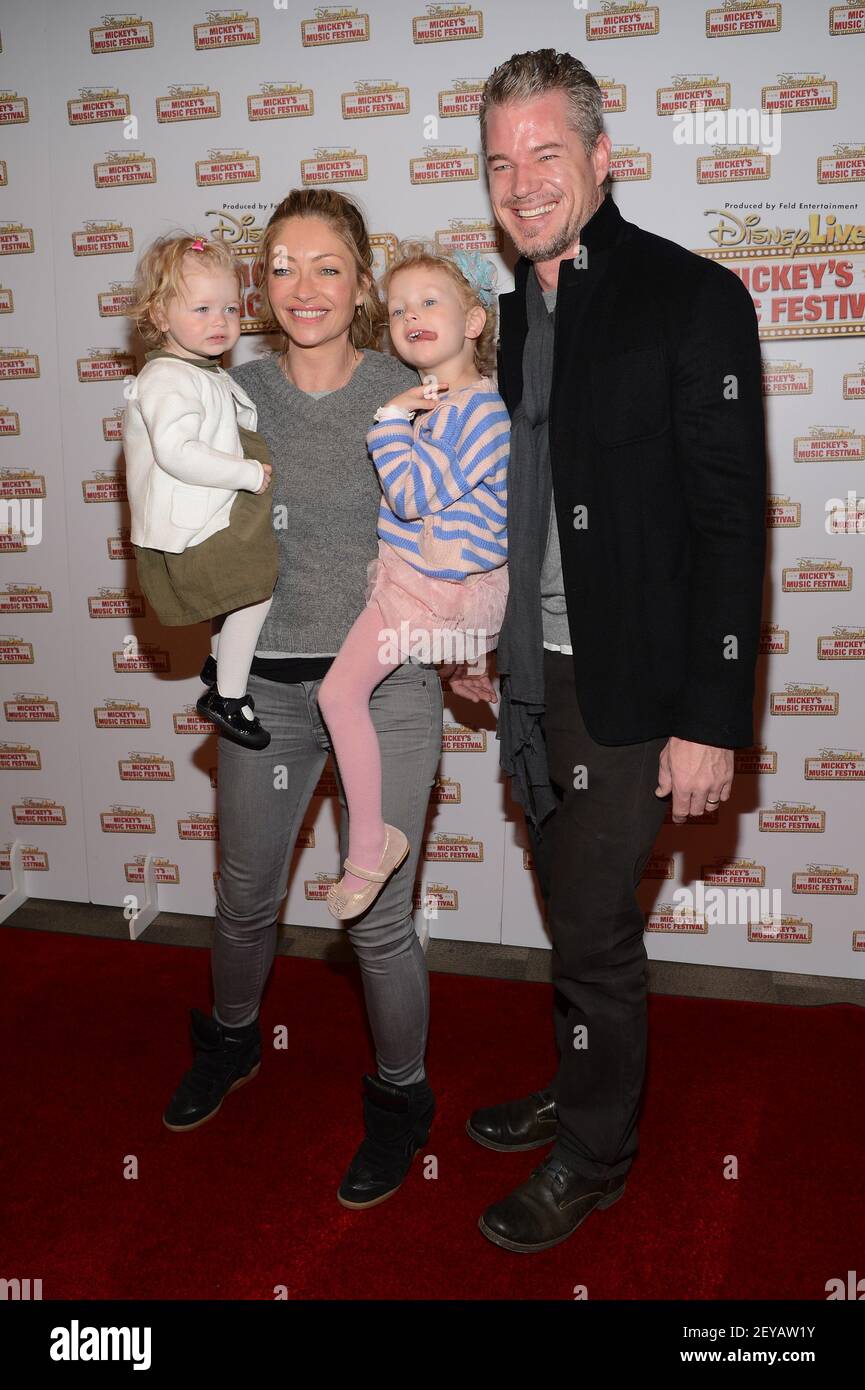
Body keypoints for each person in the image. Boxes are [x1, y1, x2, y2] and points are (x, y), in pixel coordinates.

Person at [448, 49, 767, 1253]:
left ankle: (596, 1153)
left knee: (589, 925)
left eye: (545, 153)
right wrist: (489, 637)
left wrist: (710, 716)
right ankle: (583, 1080)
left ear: (600, 155)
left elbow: (733, 526)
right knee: (574, 917)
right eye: (499, 161)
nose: (521, 182)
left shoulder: (694, 297)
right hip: (536, 670)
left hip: (633, 688)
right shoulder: (517, 305)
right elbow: (515, 498)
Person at [161, 190, 445, 1213]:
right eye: (281, 265)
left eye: (327, 265)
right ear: (258, 286)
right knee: (245, 897)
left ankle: (402, 1099)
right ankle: (232, 1044)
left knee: (376, 918)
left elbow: (462, 522)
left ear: (363, 284)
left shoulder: (408, 383)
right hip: (268, 688)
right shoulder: (224, 391)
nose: (303, 285)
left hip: (388, 687)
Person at [317, 244, 509, 920]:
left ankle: (372, 844)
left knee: (339, 695)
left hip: (428, 593)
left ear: (474, 322)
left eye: (430, 302)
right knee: (342, 697)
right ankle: (371, 841)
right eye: (398, 309)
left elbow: (409, 493)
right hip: (421, 585)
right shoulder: (440, 404)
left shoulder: (478, 411)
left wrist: (388, 420)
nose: (410, 316)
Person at [123, 233, 277, 749]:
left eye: (231, 308)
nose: (221, 321)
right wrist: (247, 474)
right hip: (191, 524)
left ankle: (218, 665)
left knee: (233, 594)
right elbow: (176, 451)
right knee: (253, 590)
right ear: (161, 316)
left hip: (209, 513)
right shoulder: (167, 377)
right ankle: (227, 697)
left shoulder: (197, 370)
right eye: (203, 308)